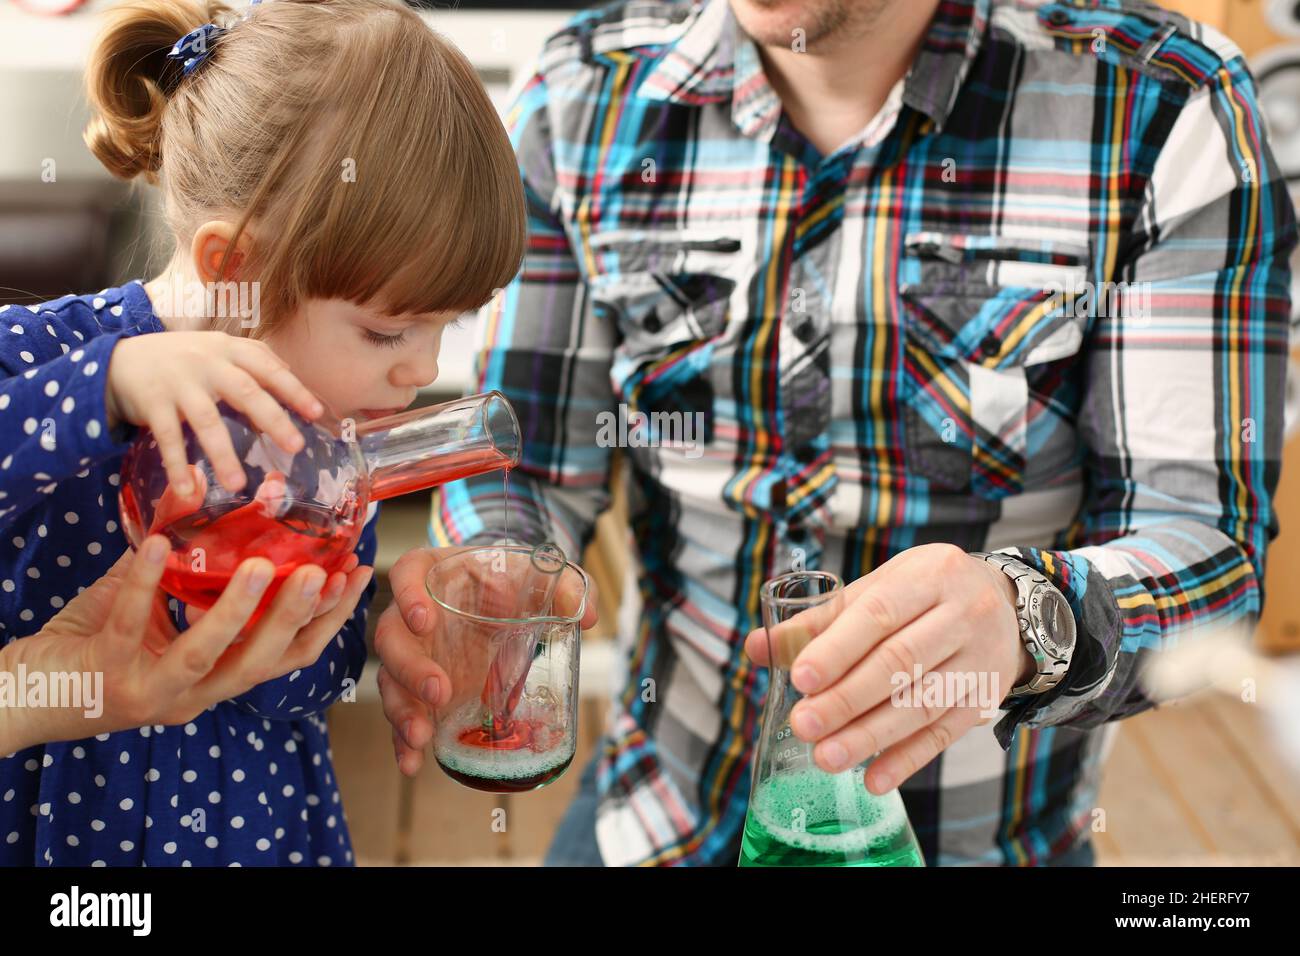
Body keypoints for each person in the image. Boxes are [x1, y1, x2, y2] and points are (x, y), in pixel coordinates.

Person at [375, 0, 1297, 866]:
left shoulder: (1161, 104)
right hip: (661, 815)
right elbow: (523, 463)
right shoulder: (581, 94)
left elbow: (1212, 554)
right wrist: (494, 567)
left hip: (976, 844)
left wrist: (1026, 619)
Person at [0, 0, 524, 865]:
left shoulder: (328, 447)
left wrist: (348, 630)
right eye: (387, 332)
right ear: (231, 266)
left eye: (448, 326)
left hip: (254, 829)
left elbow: (310, 681)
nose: (421, 370)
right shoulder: (48, 353)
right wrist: (109, 383)